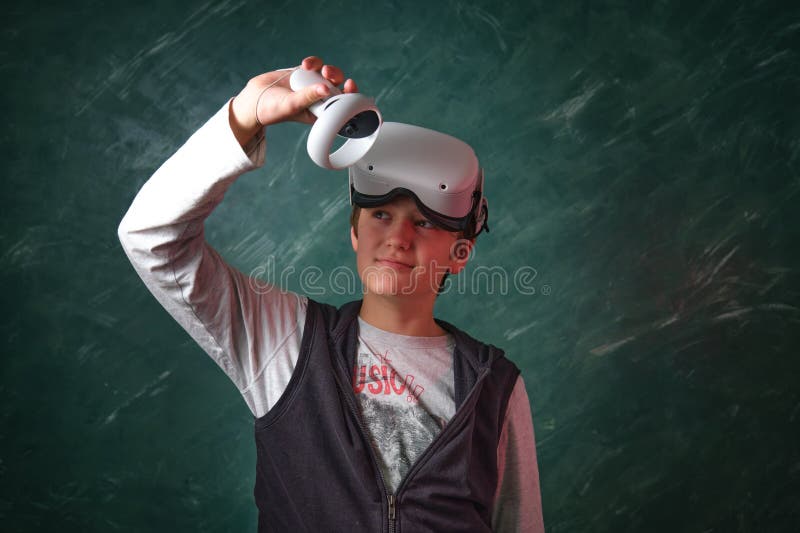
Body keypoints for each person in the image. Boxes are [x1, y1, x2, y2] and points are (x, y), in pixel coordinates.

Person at [118, 55, 544, 532]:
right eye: (381, 214)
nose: (398, 238)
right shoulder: (284, 340)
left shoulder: (496, 385)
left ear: (461, 253)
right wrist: (243, 117)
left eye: (424, 223)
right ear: (355, 233)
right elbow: (150, 236)